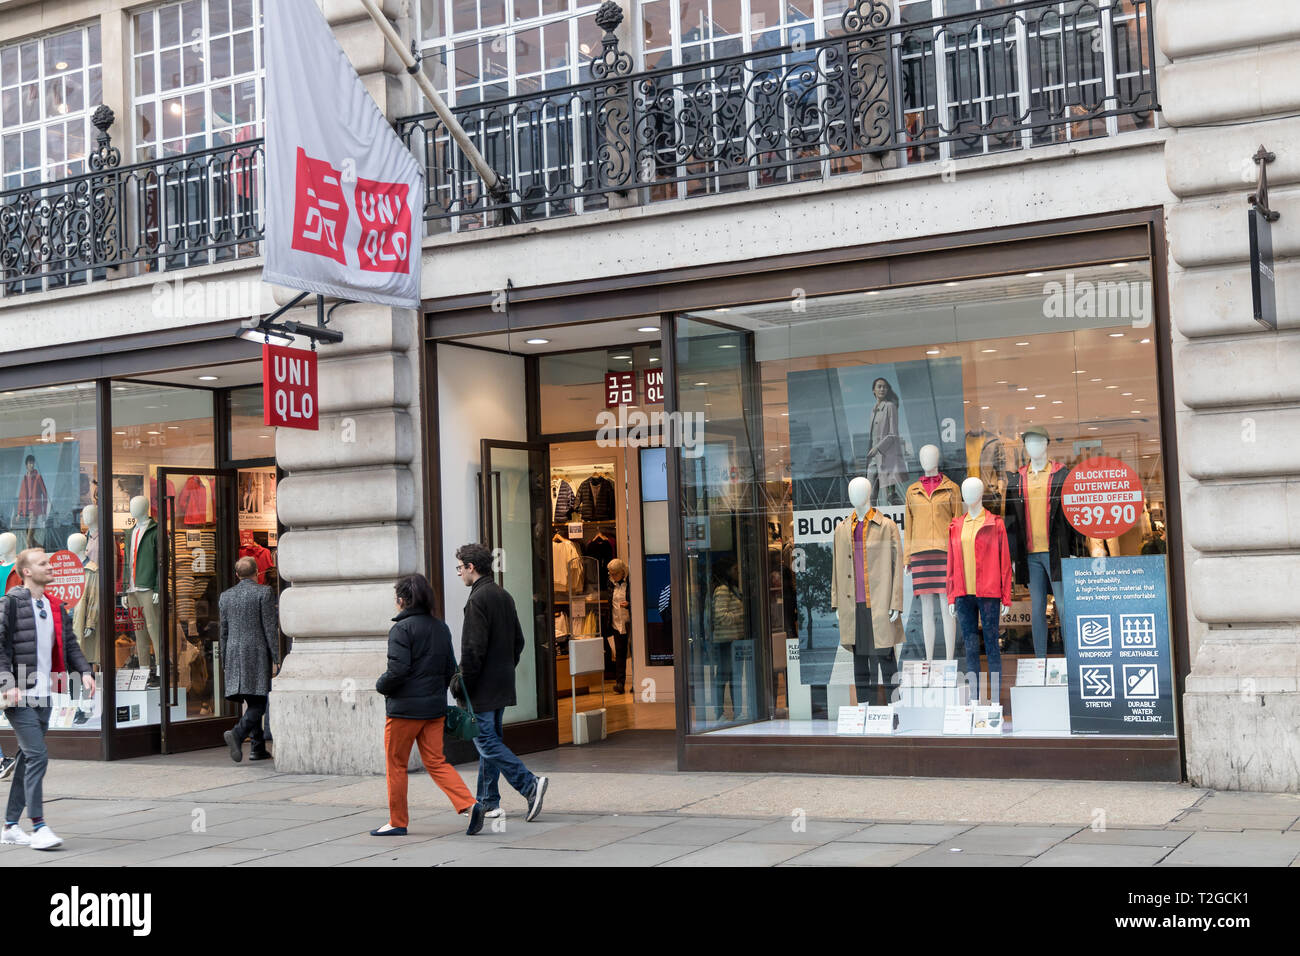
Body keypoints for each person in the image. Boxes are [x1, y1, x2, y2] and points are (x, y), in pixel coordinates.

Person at [372, 574, 484, 837]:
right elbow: (449, 670)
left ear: (401, 600)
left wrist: (381, 685)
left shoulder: (401, 629)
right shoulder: (440, 627)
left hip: (404, 712)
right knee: (436, 761)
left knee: (396, 764)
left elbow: (397, 671)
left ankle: (397, 822)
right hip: (434, 710)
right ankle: (469, 803)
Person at [0, 548, 96, 850]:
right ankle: (39, 826)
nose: (49, 567)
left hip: (45, 692)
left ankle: (11, 826)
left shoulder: (55, 606)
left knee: (28, 757)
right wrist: (7, 684)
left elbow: (70, 643)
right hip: (19, 694)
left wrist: (84, 672)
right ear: (27, 572)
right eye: (43, 564)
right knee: (38, 755)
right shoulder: (10, 603)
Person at [455, 543, 548, 822]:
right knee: (490, 741)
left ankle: (529, 784)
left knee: (486, 742)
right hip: (501, 683)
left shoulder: (477, 600)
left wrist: (460, 684)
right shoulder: (503, 595)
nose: (459, 573)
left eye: (460, 568)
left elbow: (473, 651)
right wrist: (504, 668)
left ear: (472, 567)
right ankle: (487, 801)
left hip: (482, 687)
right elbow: (518, 641)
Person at [220, 557, 279, 763]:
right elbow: (270, 628)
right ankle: (237, 733)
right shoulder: (264, 593)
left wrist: (224, 659)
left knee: (250, 698)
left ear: (237, 575)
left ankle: (257, 747)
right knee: (260, 702)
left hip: (234, 653)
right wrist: (276, 656)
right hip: (256, 651)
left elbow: (223, 631)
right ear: (257, 572)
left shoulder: (225, 596)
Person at [709, 558, 745, 720]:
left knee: (733, 676)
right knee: (724, 676)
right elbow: (720, 615)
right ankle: (720, 713)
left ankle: (735, 712)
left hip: (734, 639)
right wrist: (740, 616)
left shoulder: (733, 589)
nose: (738, 573)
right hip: (726, 640)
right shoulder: (723, 590)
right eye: (735, 570)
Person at [865, 377, 907, 507]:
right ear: (873, 390)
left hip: (886, 458)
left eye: (884, 387)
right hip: (874, 459)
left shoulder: (890, 406)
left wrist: (877, 447)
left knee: (890, 495)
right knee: (870, 494)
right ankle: (870, 521)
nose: (882, 389)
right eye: (879, 386)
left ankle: (903, 514)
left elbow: (893, 434)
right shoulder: (873, 410)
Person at [607, 558, 631, 695]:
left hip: (630, 621)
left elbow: (638, 599)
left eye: (615, 574)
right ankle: (620, 683)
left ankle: (636, 683)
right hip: (616, 622)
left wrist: (629, 604)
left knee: (634, 651)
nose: (612, 577)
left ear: (622, 572)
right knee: (620, 654)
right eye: (611, 574)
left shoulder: (630, 583)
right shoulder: (610, 583)